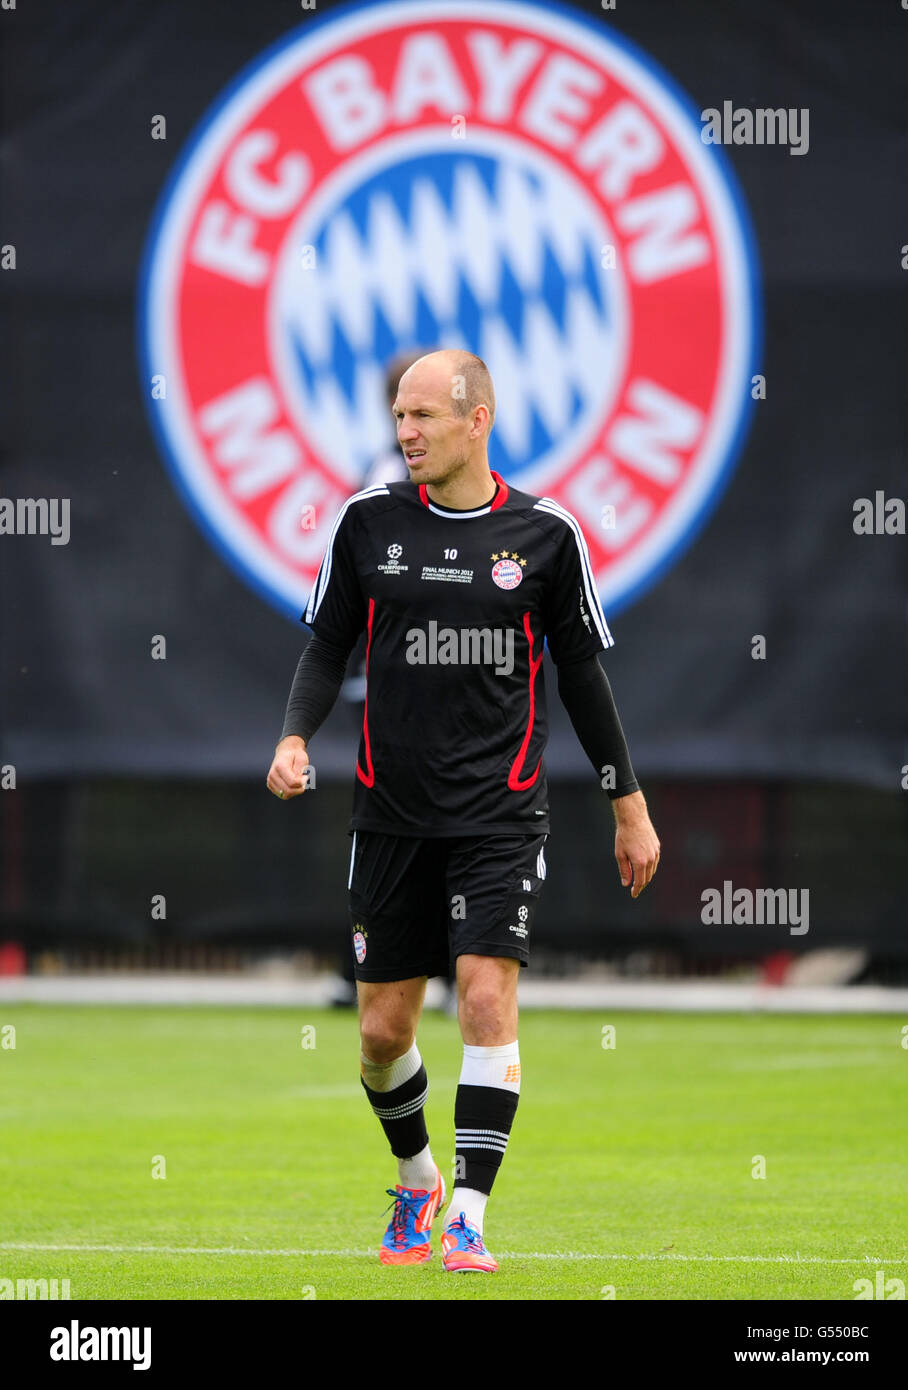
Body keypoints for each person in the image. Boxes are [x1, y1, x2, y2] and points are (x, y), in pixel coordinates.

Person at [266, 349, 660, 1273]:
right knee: (379, 1034)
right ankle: (416, 1179)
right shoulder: (367, 525)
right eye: (398, 417)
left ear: (476, 419)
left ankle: (470, 1218)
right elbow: (326, 648)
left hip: (501, 816)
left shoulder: (547, 535)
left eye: (422, 418)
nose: (405, 433)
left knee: (484, 998)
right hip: (389, 818)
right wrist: (293, 737)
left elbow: (584, 681)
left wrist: (628, 808)